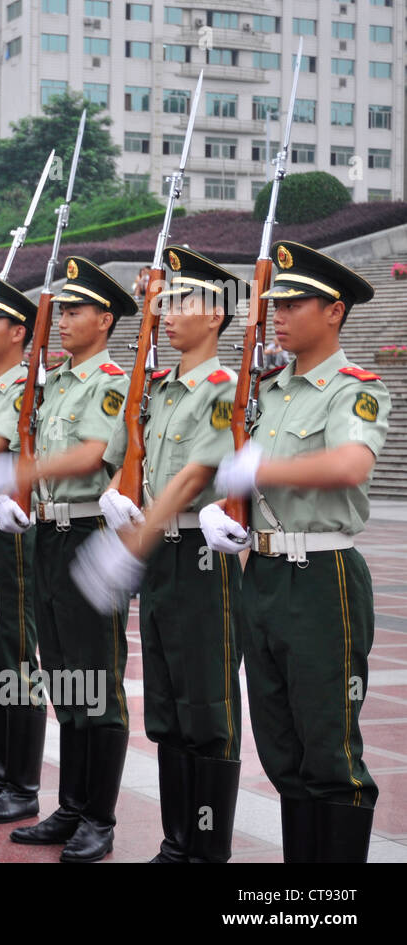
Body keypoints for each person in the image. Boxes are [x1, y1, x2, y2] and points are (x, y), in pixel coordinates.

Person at [201, 241, 387, 863]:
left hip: (323, 577)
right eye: (273, 302)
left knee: (330, 746)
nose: (277, 313)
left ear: (333, 311)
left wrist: (261, 465)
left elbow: (349, 462)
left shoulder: (353, 388)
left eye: (293, 302)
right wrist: (220, 504)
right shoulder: (267, 392)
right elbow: (239, 475)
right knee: (281, 745)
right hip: (266, 573)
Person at [77, 246, 246, 863]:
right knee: (169, 711)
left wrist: (132, 542)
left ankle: (206, 846)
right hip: (160, 559)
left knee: (206, 707)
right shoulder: (156, 387)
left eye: (184, 303)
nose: (169, 314)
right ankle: (178, 842)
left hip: (198, 556)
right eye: (166, 302)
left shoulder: (223, 388)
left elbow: (196, 473)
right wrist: (117, 499)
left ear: (219, 315)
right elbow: (127, 461)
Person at [0, 256, 138, 863]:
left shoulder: (108, 380)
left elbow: (89, 456)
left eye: (75, 311)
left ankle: (99, 817)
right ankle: (73, 805)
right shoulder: (53, 380)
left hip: (87, 532)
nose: (63, 321)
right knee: (62, 674)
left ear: (104, 319)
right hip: (49, 536)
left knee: (97, 681)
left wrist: (23, 470)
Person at [0, 278, 47, 826]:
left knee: (17, 658)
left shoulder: (20, 386)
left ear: (19, 333)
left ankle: (21, 782)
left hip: (11, 536)